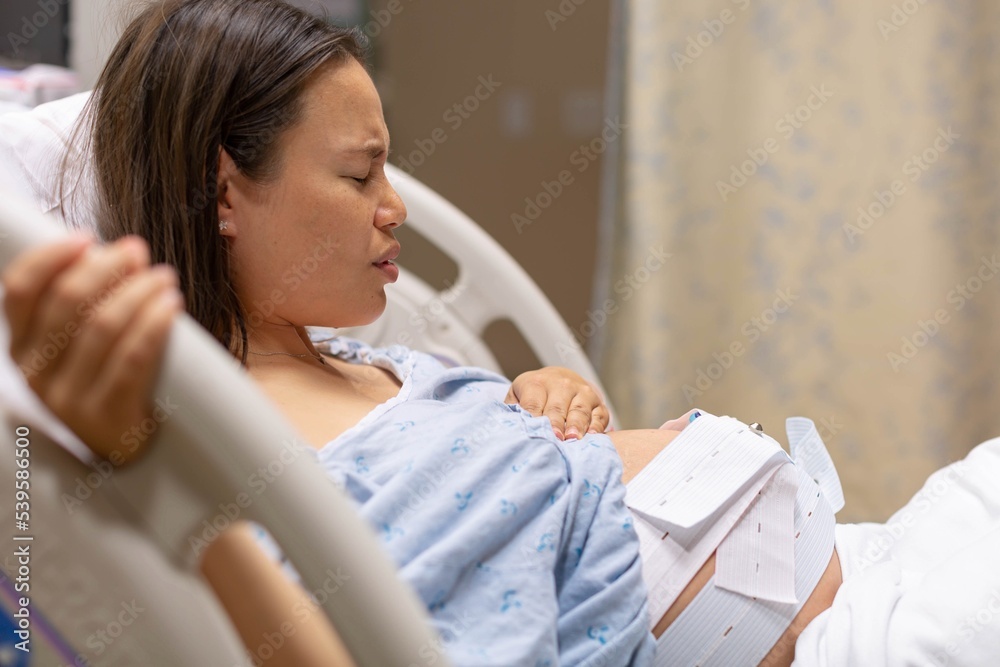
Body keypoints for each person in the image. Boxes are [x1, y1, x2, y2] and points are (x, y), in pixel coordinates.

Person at [0, 1, 848, 665]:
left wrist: (542, 398)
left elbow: (526, 474)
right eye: (361, 172)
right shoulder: (220, 453)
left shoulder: (369, 362)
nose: (393, 205)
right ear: (226, 195)